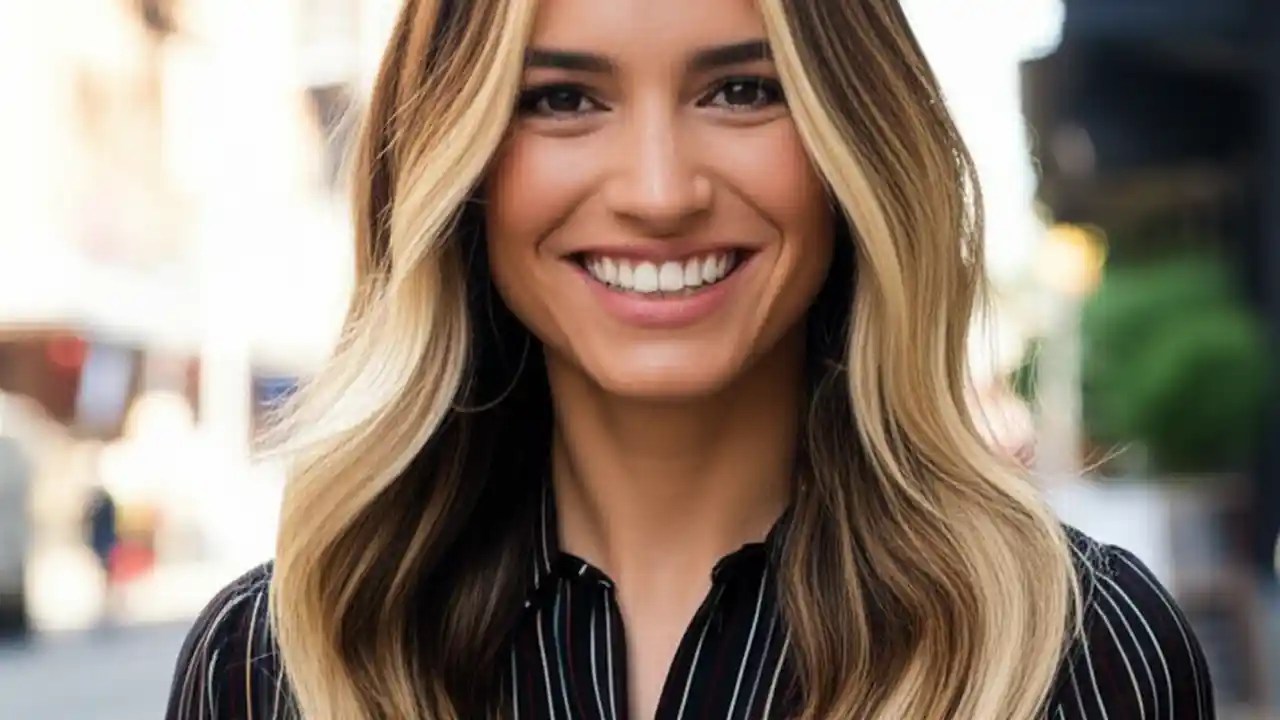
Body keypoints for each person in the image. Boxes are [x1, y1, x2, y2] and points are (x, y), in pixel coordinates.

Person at [166, 1, 1215, 718]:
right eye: (562, 99)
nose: (659, 192)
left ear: (855, 139)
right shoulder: (277, 668)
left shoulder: (1069, 650)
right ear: (455, 156)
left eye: (741, 90)